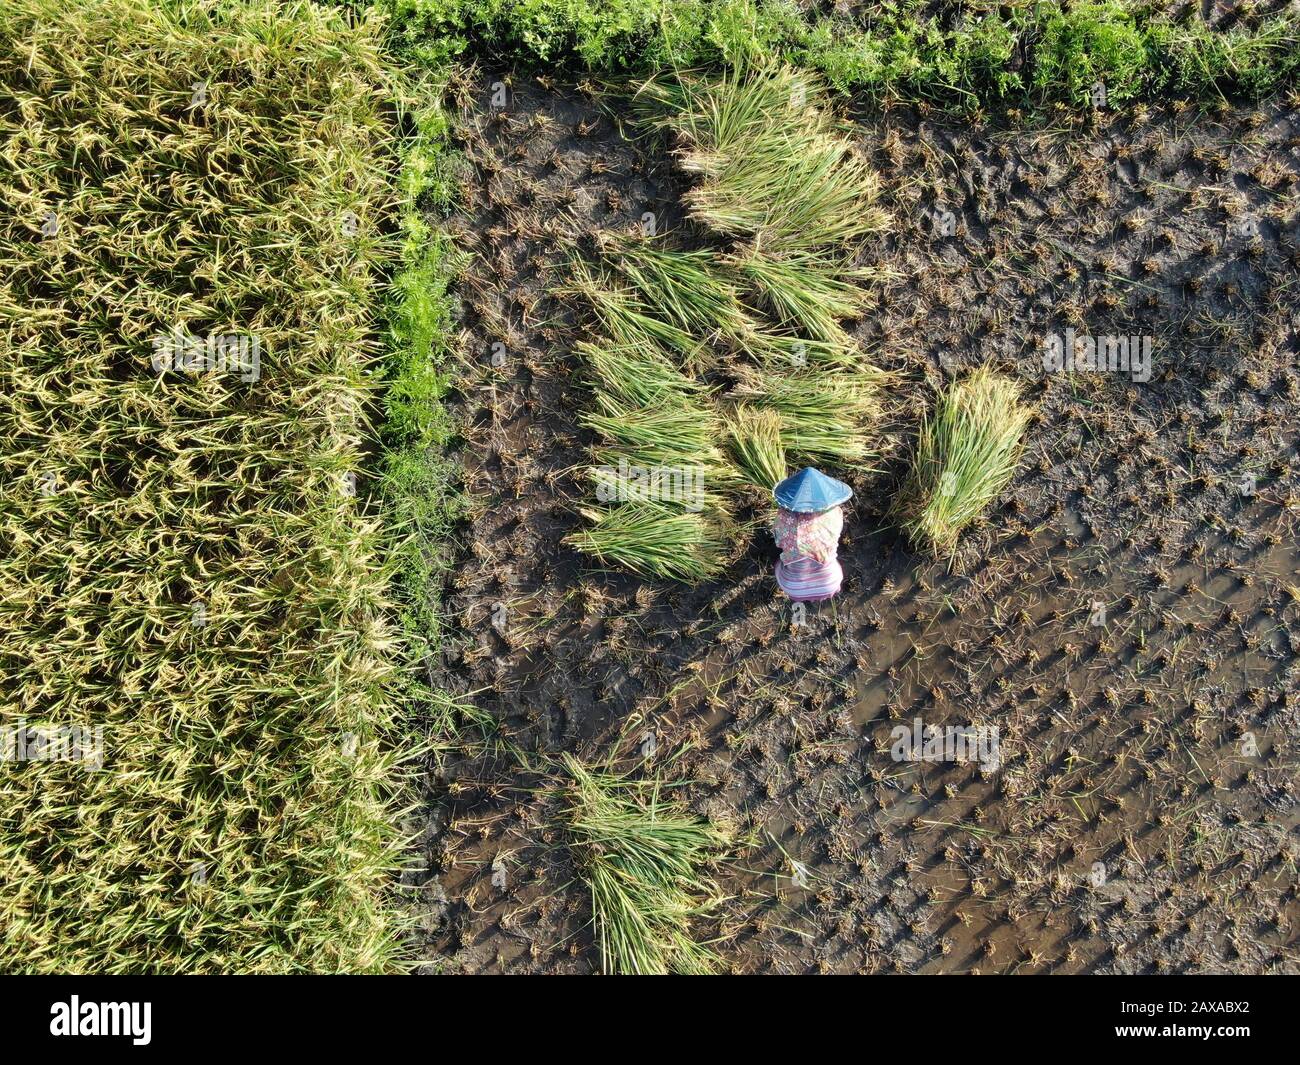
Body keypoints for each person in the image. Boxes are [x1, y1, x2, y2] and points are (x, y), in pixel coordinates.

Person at [771, 467, 852, 602]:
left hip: (793, 586)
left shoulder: (783, 518)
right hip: (830, 582)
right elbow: (836, 533)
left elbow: (778, 539)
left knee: (779, 559)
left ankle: (800, 596)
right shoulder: (834, 514)